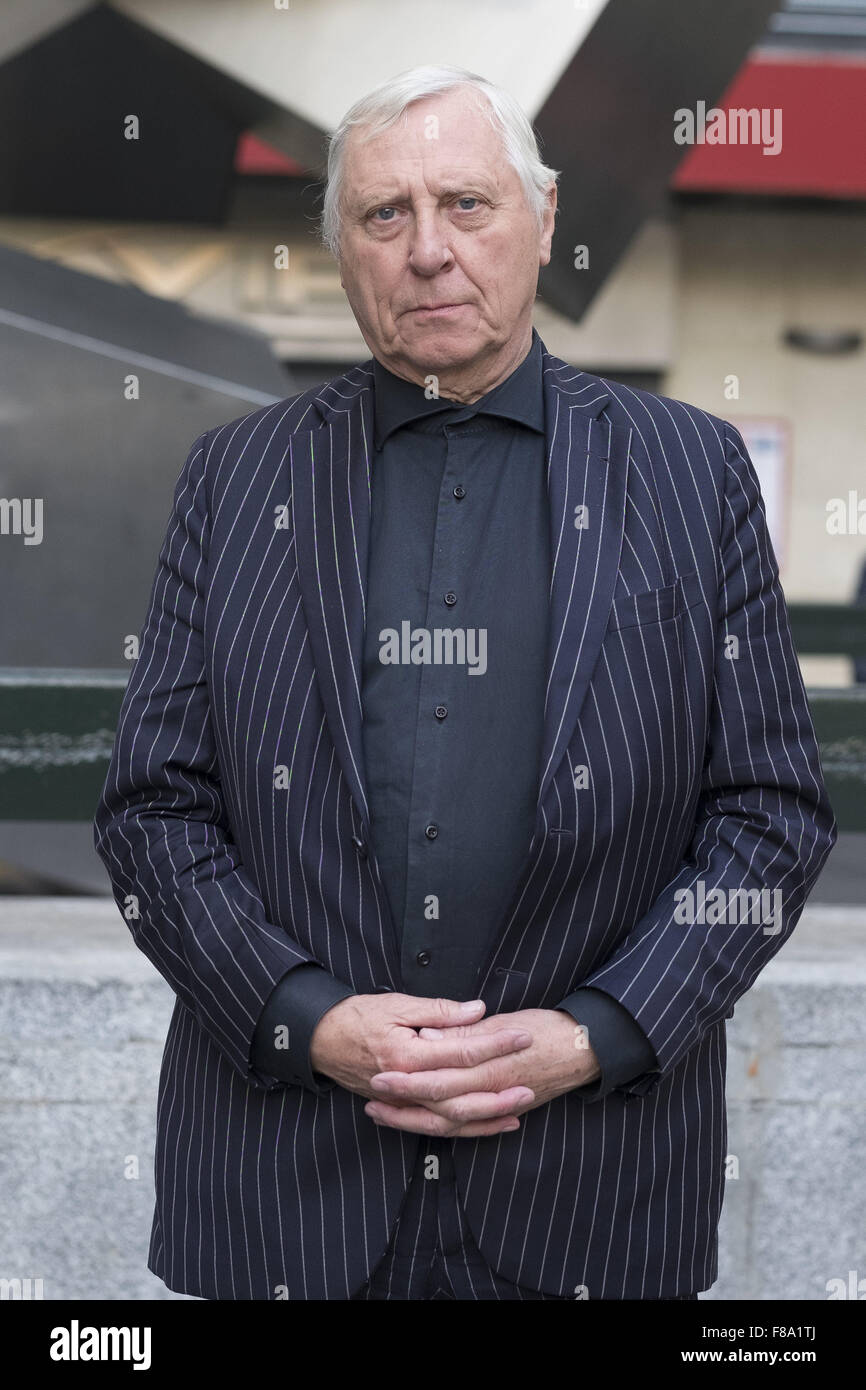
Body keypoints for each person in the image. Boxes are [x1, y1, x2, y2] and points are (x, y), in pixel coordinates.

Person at [93, 64, 836, 1301]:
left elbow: (768, 817)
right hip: (285, 1198)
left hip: (592, 1191)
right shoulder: (233, 480)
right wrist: (308, 1018)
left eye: (466, 205)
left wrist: (596, 1035)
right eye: (384, 215)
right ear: (340, 248)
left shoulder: (690, 474)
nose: (427, 250)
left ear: (543, 218)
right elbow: (150, 810)